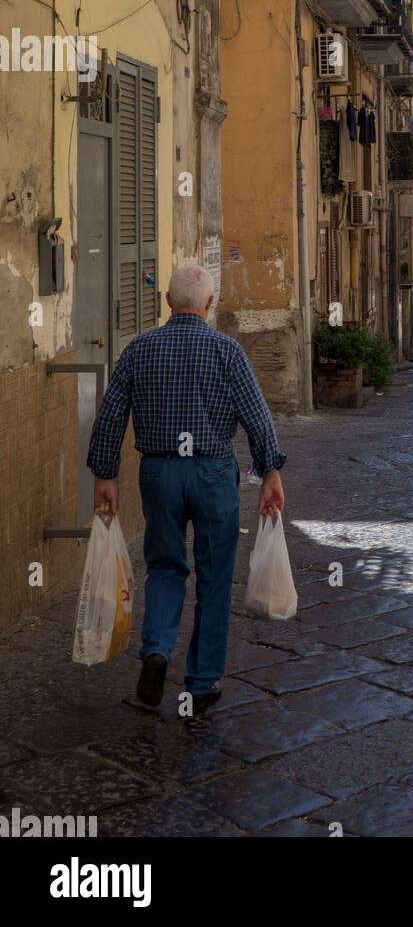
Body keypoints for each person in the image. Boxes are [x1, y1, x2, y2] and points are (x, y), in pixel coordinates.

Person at [86, 265, 285, 713]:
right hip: (213, 474)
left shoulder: (140, 349)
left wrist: (105, 475)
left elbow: (111, 415)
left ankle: (156, 651)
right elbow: (257, 417)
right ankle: (203, 681)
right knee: (214, 578)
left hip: (160, 474)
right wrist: (270, 471)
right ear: (210, 305)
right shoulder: (228, 351)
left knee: (164, 568)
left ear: (167, 303)